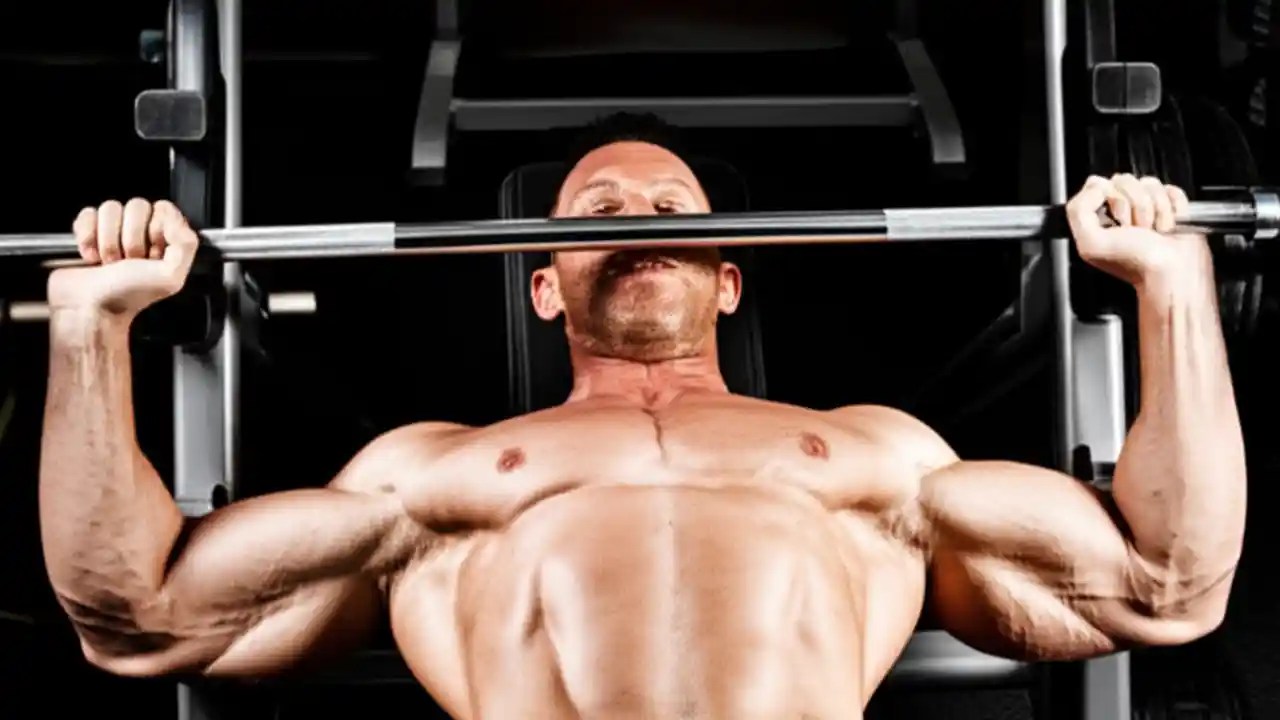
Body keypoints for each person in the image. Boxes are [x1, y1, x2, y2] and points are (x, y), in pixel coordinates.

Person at [39, 114, 1245, 719]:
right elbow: (134, 614)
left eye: (672, 202)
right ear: (541, 278)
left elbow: (1167, 583)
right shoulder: (425, 477)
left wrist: (1171, 281)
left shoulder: (879, 456)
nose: (636, 212)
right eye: (595, 206)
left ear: (727, 275)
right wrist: (92, 325)